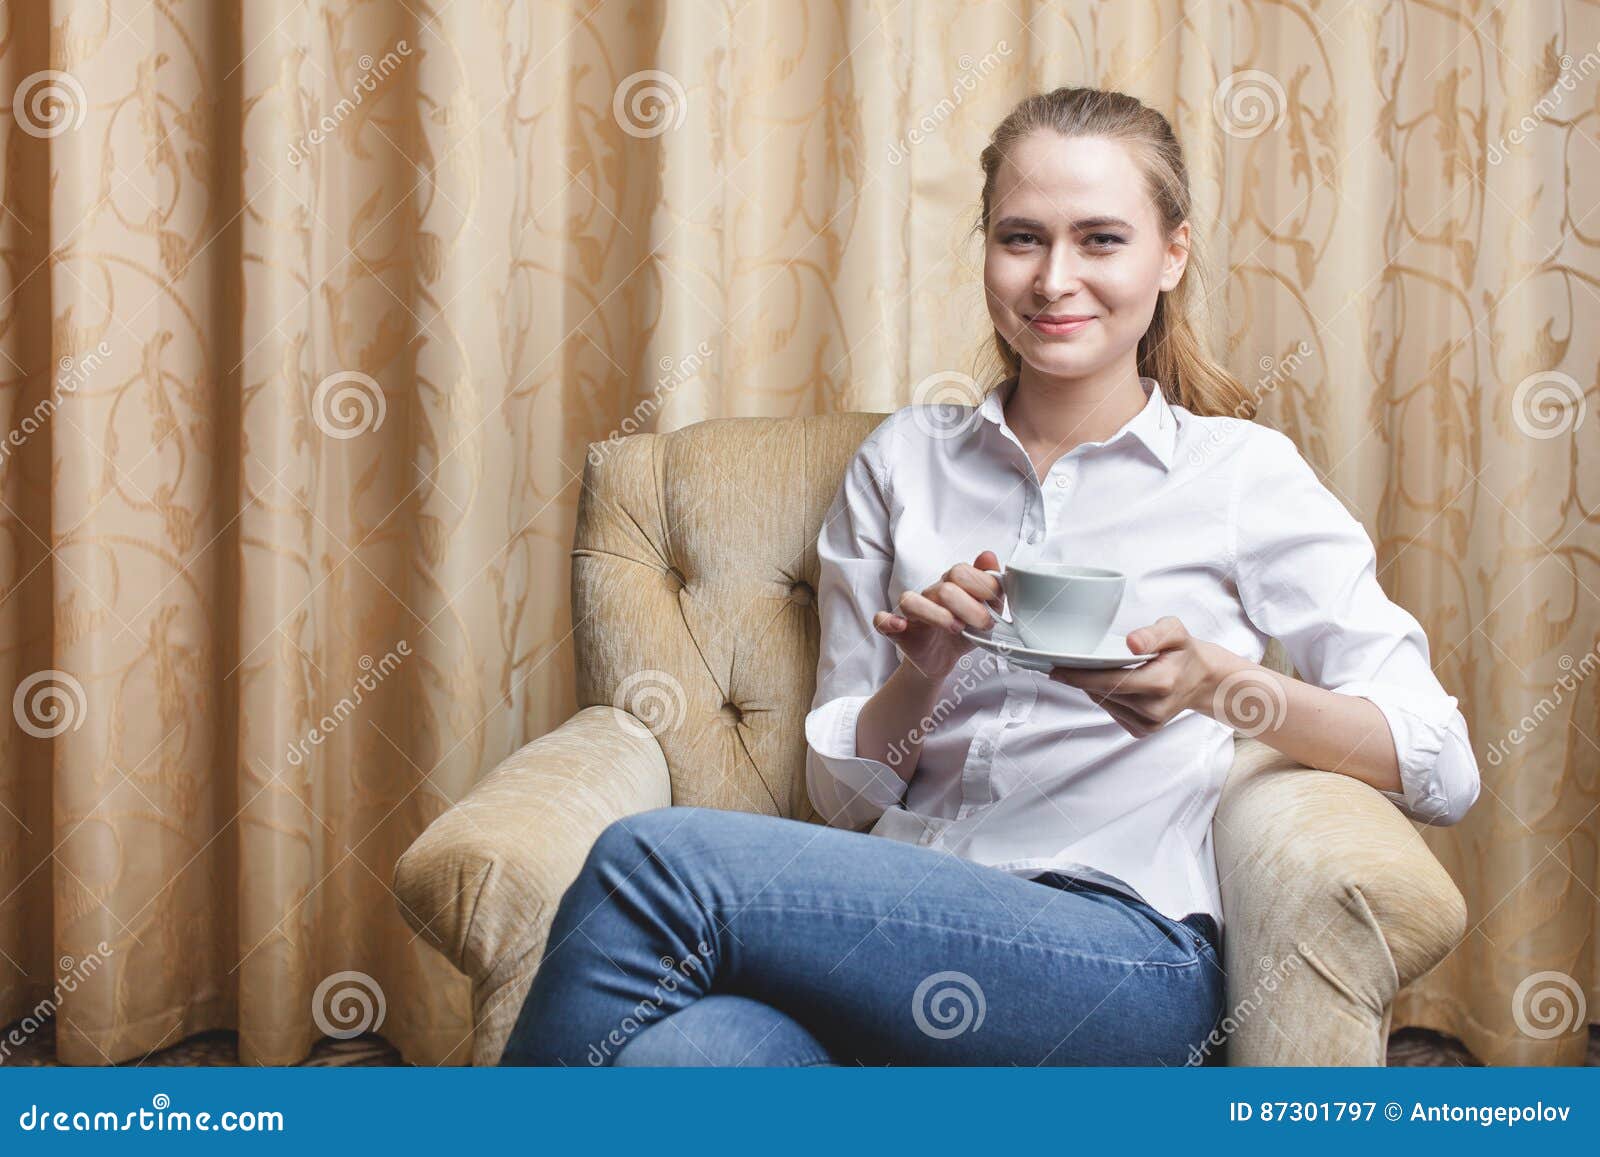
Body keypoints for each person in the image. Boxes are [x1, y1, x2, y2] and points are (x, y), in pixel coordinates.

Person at [498, 85, 1479, 1068]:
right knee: (693, 1056)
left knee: (654, 859)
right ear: (984, 250)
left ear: (1169, 253)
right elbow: (838, 802)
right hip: (890, 933)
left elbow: (1439, 762)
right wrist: (919, 676)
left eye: (1101, 239)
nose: (1055, 279)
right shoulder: (903, 461)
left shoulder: (1239, 474)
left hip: (1118, 958)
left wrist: (1218, 685)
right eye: (1021, 238)